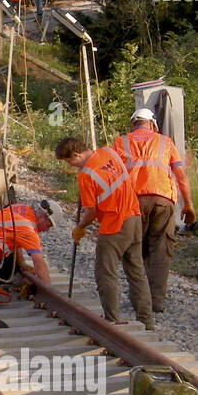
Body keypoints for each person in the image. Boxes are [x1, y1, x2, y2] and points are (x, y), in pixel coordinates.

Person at [54, 135, 154, 330]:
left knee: (105, 273)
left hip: (114, 226)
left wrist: (80, 227)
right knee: (137, 273)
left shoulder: (85, 175)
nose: (71, 165)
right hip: (134, 218)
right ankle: (146, 321)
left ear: (76, 155)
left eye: (69, 161)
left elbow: (91, 211)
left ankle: (111, 320)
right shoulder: (109, 152)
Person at [111, 108, 196, 314]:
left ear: (133, 124)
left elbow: (110, 178)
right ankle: (156, 302)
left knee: (135, 250)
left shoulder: (119, 142)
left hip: (132, 203)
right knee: (161, 250)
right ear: (153, 124)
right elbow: (181, 176)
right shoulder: (165, 142)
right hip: (163, 200)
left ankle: (140, 302)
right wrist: (188, 204)